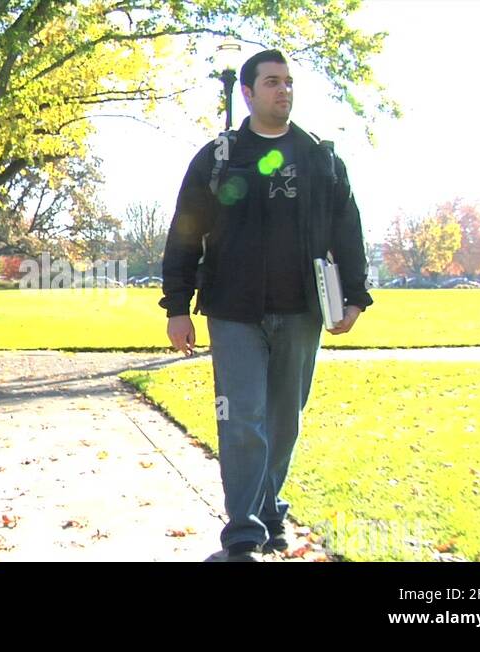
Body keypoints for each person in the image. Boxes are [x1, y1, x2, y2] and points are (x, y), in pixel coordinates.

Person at [158, 49, 374, 562]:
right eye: (272, 82)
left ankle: (269, 512)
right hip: (233, 312)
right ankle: (243, 534)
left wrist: (356, 297)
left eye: (290, 82)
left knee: (283, 420)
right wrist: (177, 306)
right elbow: (185, 232)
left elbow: (349, 231)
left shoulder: (322, 159)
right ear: (248, 92)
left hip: (303, 311)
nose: (284, 91)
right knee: (241, 419)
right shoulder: (219, 158)